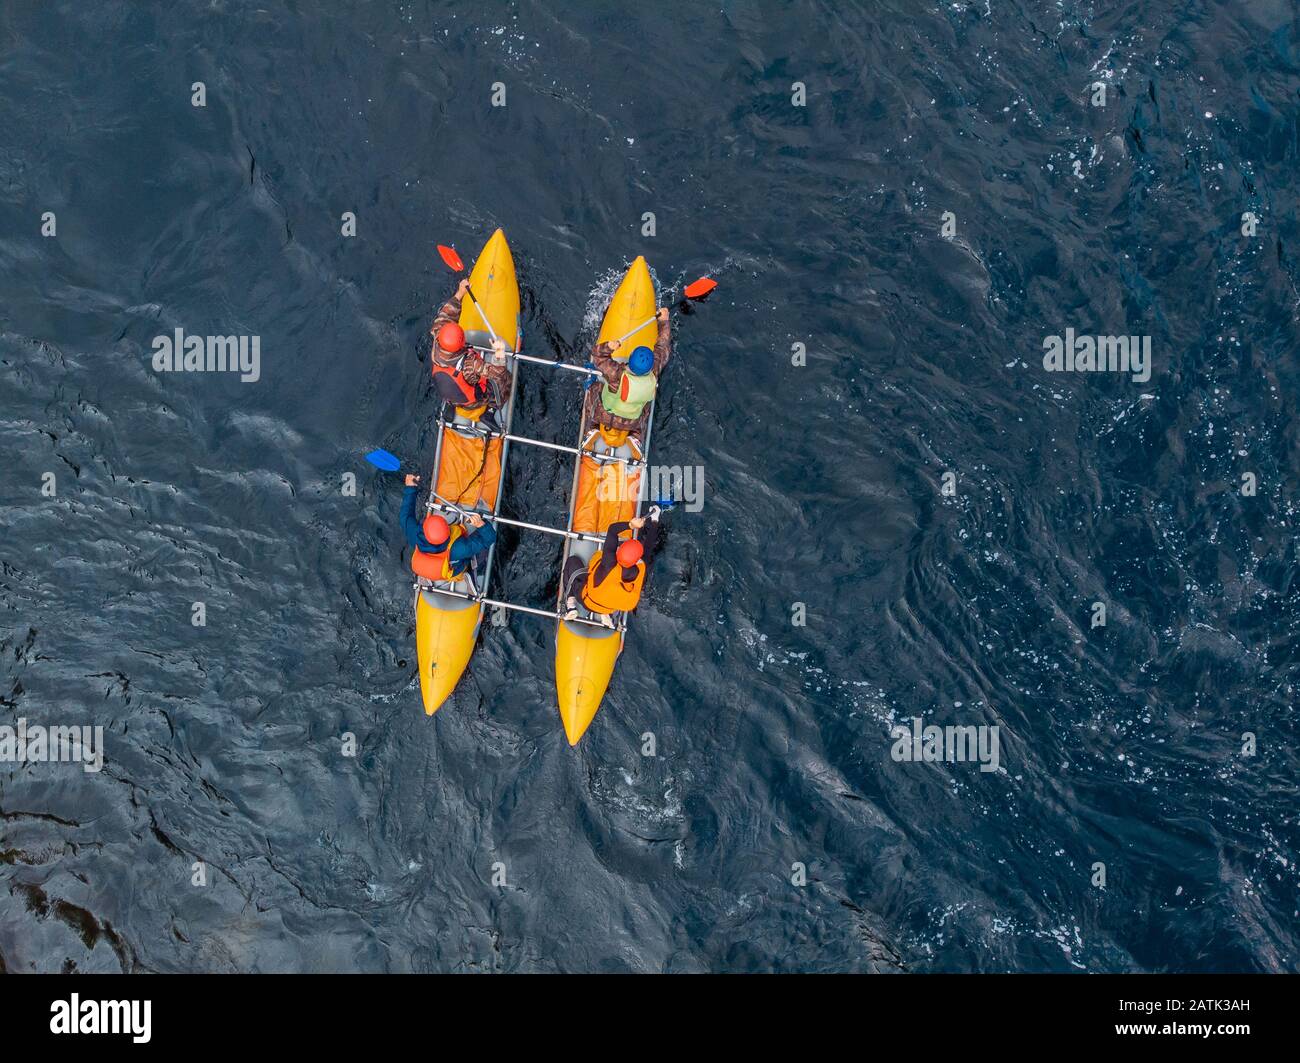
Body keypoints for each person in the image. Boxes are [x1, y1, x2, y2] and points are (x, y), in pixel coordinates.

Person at [429, 278, 512, 430]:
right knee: (505, 380)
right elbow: (498, 373)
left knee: (454, 386)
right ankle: (490, 411)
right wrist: (499, 353)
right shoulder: (470, 363)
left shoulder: (437, 338)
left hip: (450, 393)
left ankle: (450, 405)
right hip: (471, 400)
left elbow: (445, 315)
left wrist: (460, 293)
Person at [582, 306, 671, 440]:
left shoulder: (616, 374)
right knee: (645, 407)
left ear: (631, 357)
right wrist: (664, 321)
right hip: (632, 422)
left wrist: (609, 347)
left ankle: (592, 426)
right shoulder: (655, 369)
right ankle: (636, 435)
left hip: (605, 417)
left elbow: (598, 356)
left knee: (595, 388)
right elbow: (663, 346)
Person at [562, 508, 663, 626]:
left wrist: (631, 524)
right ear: (636, 561)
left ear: (619, 552)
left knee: (572, 562)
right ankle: (606, 614)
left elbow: (612, 530)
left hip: (586, 600)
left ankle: (570, 604)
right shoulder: (639, 572)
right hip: (608, 607)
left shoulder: (608, 562)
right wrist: (655, 521)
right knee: (612, 594)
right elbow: (649, 547)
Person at [401, 473, 496, 582]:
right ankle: (469, 572)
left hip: (437, 565)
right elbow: (489, 539)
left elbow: (405, 516)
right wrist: (481, 525)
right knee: (479, 549)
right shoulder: (459, 548)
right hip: (454, 566)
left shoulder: (415, 535)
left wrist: (410, 488)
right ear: (448, 533)